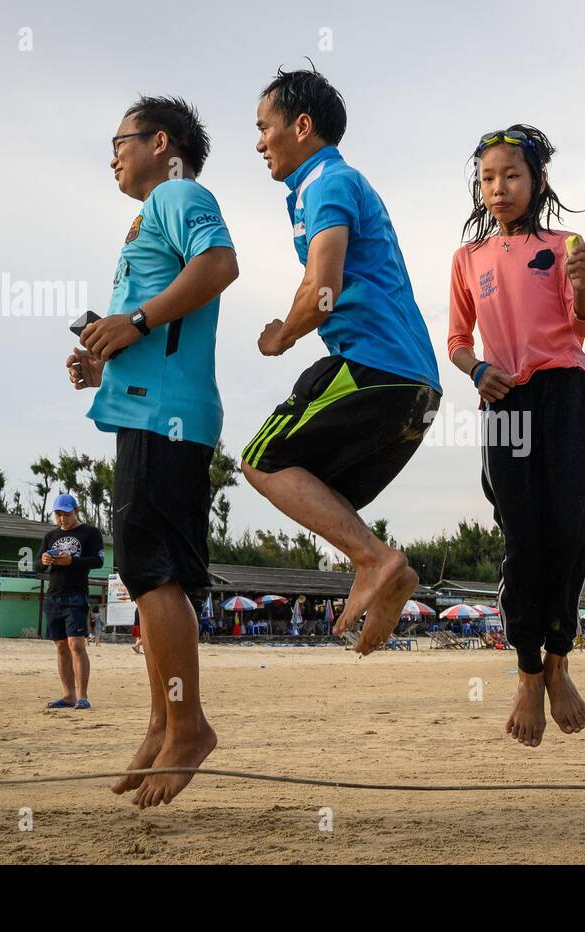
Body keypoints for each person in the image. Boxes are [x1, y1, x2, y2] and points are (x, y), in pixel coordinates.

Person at [66, 95, 239, 809]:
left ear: (159, 141)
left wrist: (132, 320)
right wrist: (105, 357)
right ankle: (163, 723)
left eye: (118, 140)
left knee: (152, 571)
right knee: (148, 572)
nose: (112, 155)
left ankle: (189, 727)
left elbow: (220, 265)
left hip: (167, 418)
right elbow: (163, 327)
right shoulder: (151, 213)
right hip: (148, 409)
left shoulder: (179, 191)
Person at [242, 65, 441, 655]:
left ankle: (376, 559)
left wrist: (283, 334)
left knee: (261, 462)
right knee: (317, 489)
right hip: (418, 393)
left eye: (264, 128)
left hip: (374, 367)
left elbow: (322, 285)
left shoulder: (326, 182)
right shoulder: (331, 185)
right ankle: (380, 567)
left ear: (301, 127)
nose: (258, 143)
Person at [448, 125, 585, 748]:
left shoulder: (564, 245)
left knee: (566, 531)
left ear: (536, 182)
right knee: (522, 536)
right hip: (505, 399)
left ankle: (560, 659)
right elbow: (458, 345)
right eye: (488, 178)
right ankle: (527, 670)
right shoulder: (468, 260)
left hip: (565, 391)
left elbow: (583, 324)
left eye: (512, 175)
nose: (499, 187)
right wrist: (480, 371)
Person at [36, 493, 105, 710]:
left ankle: (82, 696)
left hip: (76, 595)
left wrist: (72, 561)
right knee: (61, 647)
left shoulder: (90, 533)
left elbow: (98, 560)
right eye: (58, 514)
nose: (62, 519)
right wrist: (44, 560)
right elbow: (37, 566)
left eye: (66, 514)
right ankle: (68, 695)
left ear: (76, 511)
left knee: (76, 644)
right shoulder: (50, 536)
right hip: (53, 596)